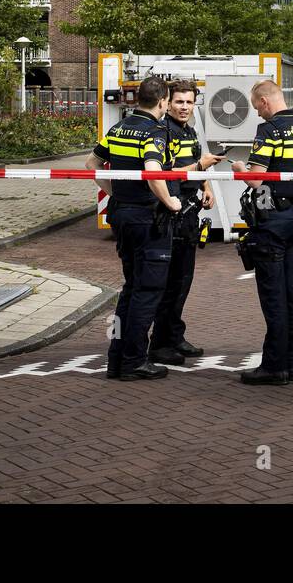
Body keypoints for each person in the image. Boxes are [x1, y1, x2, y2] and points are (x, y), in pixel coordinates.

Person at [87, 76, 180, 382]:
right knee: (148, 290)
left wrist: (115, 193)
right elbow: (154, 172)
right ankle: (134, 361)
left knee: (130, 288)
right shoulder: (155, 131)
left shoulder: (118, 128)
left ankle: (117, 359)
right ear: (163, 101)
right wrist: (170, 202)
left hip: (123, 215)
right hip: (146, 219)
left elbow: (92, 164)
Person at [229, 81, 293, 386]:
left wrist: (239, 168)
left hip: (274, 218)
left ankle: (274, 366)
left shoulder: (270, 130)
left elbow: (256, 179)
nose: (257, 113)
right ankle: (291, 364)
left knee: (273, 294)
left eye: (256, 107)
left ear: (264, 101)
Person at [148, 80, 224, 366]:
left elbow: (193, 164)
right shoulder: (163, 132)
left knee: (183, 280)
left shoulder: (190, 131)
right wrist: (202, 167)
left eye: (189, 102)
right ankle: (159, 344)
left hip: (189, 215)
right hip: (171, 213)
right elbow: (165, 173)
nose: (184, 107)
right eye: (179, 101)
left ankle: (174, 335)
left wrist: (206, 187)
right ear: (167, 103)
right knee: (169, 282)